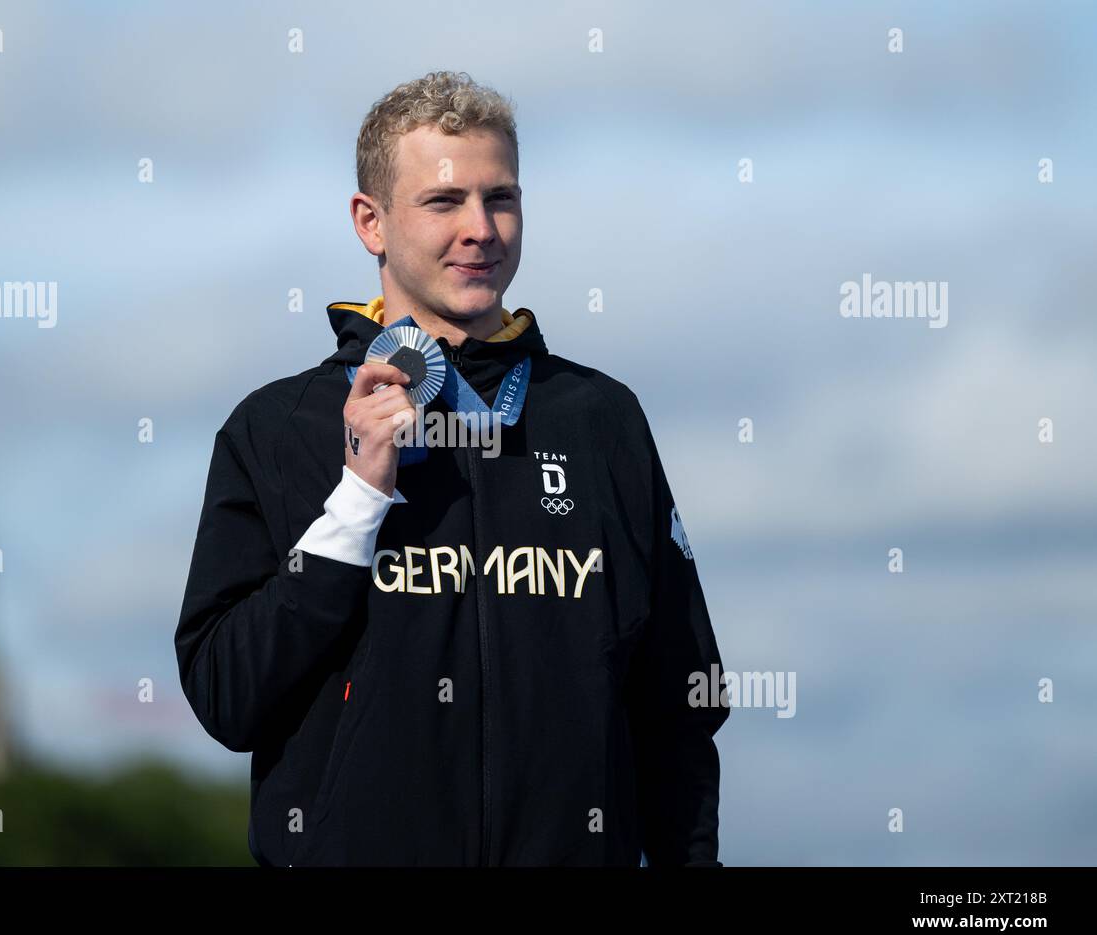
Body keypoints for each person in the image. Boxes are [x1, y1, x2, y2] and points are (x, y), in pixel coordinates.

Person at [174, 70, 730, 866]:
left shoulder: (602, 420)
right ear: (371, 222)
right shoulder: (276, 429)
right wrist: (358, 500)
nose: (481, 229)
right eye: (443, 202)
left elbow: (681, 704)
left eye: (500, 198)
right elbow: (227, 697)